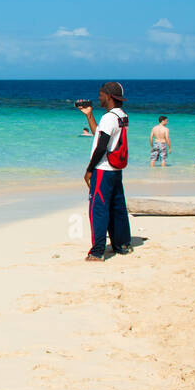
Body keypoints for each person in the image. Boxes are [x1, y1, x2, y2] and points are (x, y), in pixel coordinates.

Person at [81, 81, 132, 261]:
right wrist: (89, 116)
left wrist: (89, 169)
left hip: (102, 170)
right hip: (115, 170)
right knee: (117, 207)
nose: (99, 97)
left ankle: (97, 251)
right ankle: (122, 244)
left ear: (109, 96)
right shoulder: (121, 116)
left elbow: (102, 146)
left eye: (101, 94)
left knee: (98, 209)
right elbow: (101, 135)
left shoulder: (109, 118)